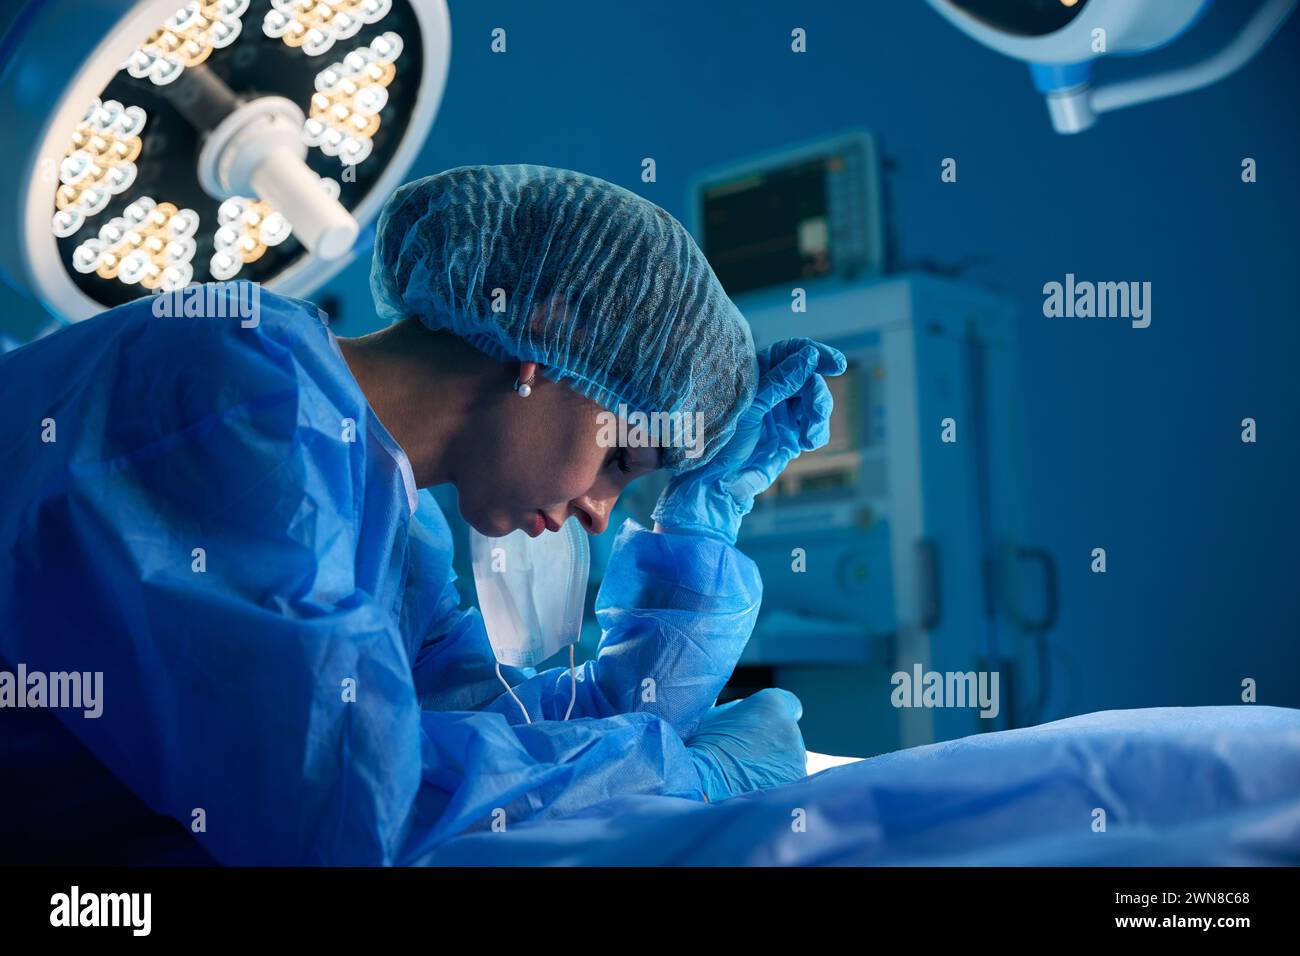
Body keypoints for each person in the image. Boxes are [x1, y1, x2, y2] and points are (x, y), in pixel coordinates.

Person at [0, 164, 844, 864]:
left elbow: (495, 735)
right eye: (618, 460)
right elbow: (343, 806)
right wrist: (685, 776)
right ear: (545, 341)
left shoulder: (385, 516)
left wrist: (700, 528)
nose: (597, 512)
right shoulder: (237, 405)